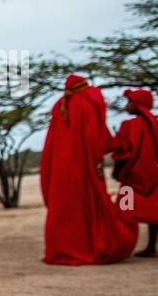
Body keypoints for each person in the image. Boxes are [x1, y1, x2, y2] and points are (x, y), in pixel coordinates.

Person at [39, 73, 137, 265]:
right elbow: (94, 136)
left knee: (66, 207)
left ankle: (64, 249)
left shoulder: (60, 105)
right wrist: (96, 161)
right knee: (90, 203)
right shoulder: (87, 101)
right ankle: (92, 246)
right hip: (83, 165)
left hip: (61, 168)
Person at [112, 88, 158, 257]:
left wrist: (117, 170)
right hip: (151, 177)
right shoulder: (154, 124)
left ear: (138, 104)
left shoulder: (129, 125)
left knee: (124, 212)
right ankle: (151, 246)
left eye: (130, 102)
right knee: (153, 212)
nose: (127, 106)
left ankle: (124, 246)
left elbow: (123, 151)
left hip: (132, 178)